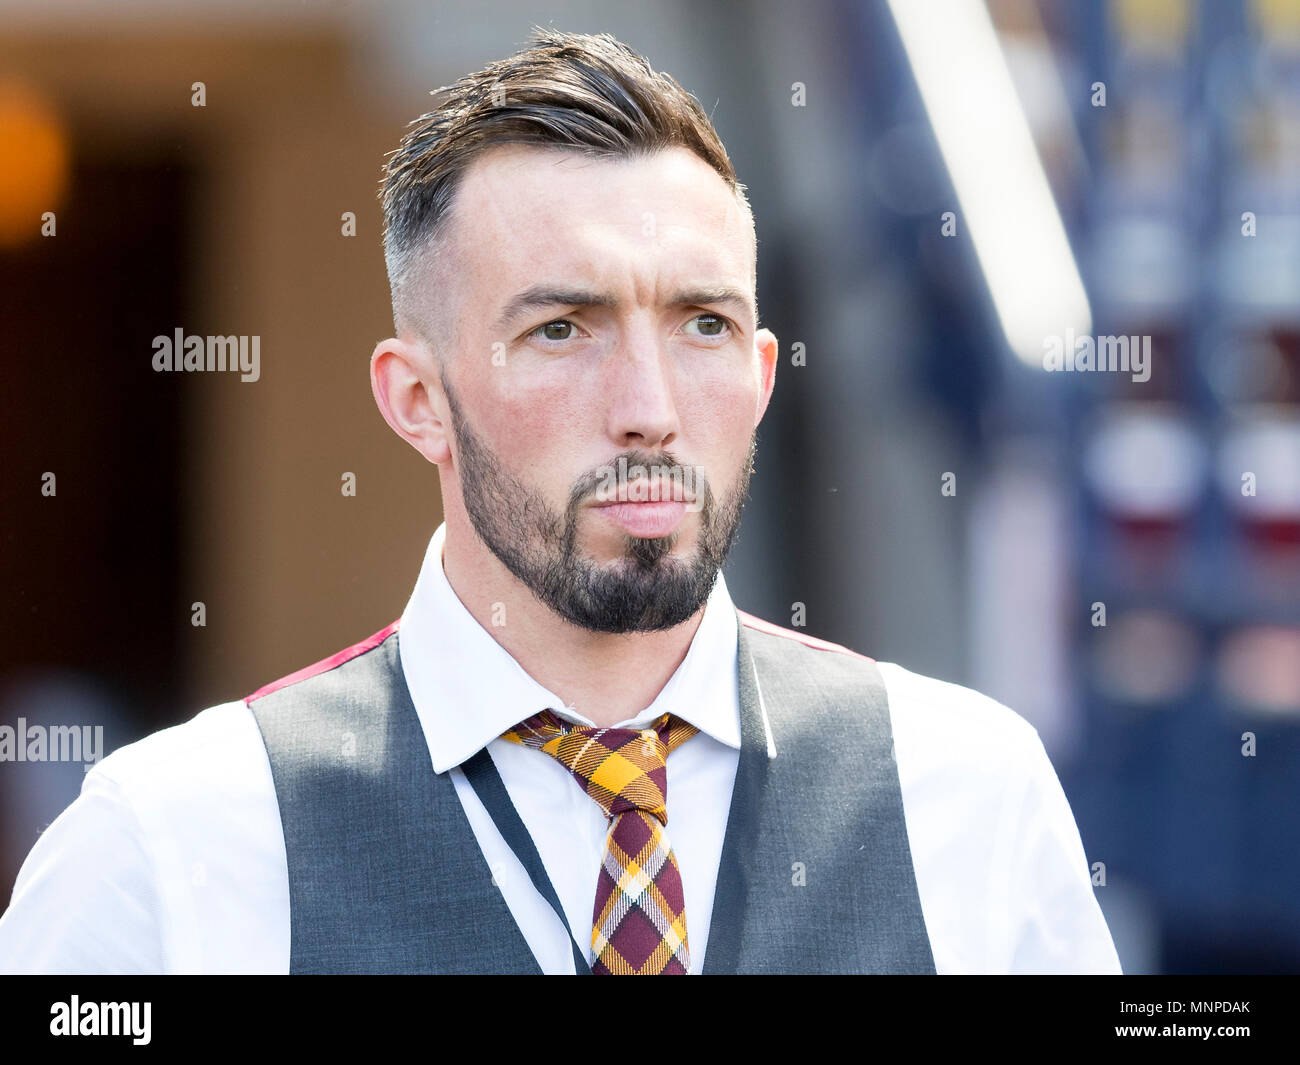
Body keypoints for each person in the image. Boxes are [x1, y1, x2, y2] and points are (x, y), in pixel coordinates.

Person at [0, 29, 1120, 975]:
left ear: (764, 377)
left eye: (703, 325)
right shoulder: (170, 849)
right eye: (560, 330)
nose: (649, 408)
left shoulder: (968, 797)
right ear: (417, 402)